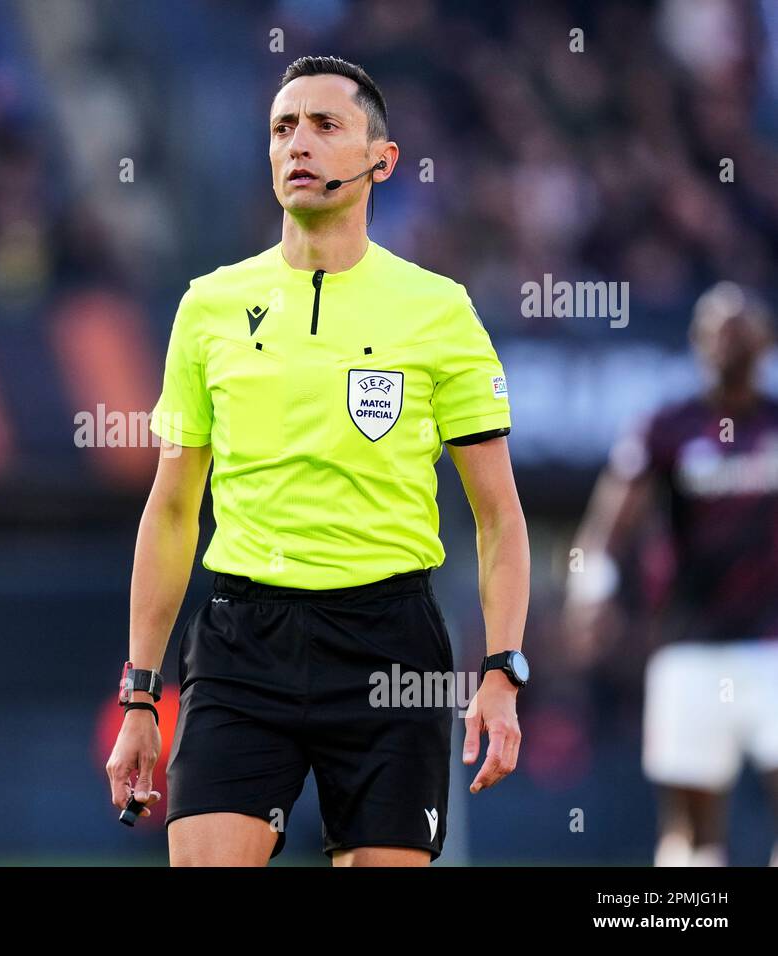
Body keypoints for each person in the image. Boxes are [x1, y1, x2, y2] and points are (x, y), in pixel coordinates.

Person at [104, 56, 530, 866]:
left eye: (325, 125)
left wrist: (503, 669)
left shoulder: (438, 310)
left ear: (382, 160)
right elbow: (169, 512)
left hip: (389, 648)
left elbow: (500, 515)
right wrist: (138, 695)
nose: (298, 142)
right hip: (242, 643)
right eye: (282, 128)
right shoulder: (209, 307)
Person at [565, 281, 778, 867]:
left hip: (774, 646)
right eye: (714, 331)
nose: (726, 344)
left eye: (739, 331)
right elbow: (607, 527)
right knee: (692, 827)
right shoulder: (666, 427)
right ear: (696, 342)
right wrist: (592, 592)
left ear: (765, 342)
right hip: (689, 647)